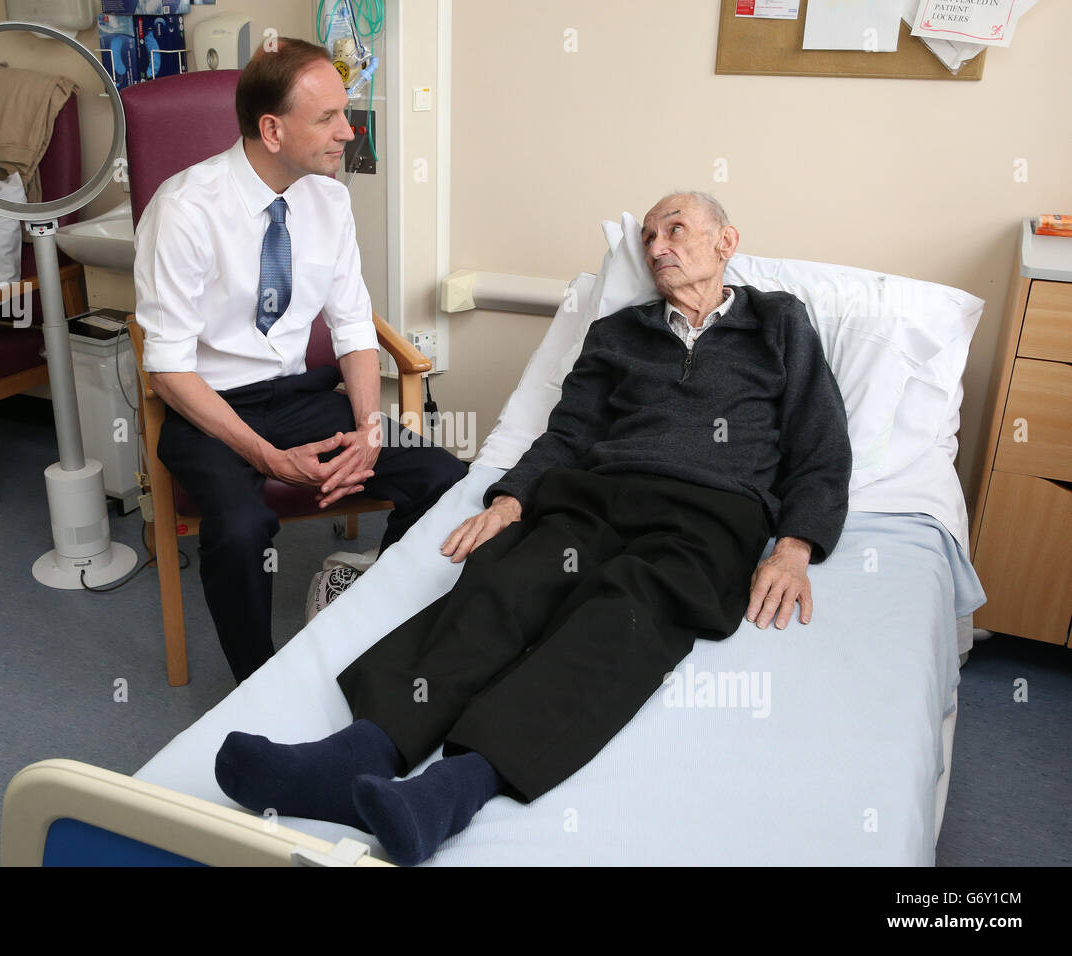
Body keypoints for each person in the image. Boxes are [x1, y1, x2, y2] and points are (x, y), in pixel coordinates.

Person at [214, 192, 853, 865]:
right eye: (647, 237)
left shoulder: (778, 323)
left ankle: (451, 791)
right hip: (596, 494)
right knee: (506, 580)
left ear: (727, 243)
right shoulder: (618, 334)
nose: (658, 247)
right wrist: (510, 500)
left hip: (710, 513)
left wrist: (794, 546)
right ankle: (358, 755)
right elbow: (568, 433)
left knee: (623, 614)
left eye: (676, 231)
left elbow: (822, 445)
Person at [134, 39, 467, 683]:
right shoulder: (183, 211)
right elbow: (167, 369)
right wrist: (263, 456)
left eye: (347, 113)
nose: (349, 131)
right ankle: (256, 686)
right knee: (238, 529)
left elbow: (353, 329)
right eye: (329, 119)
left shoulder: (329, 199)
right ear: (272, 129)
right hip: (211, 410)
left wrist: (370, 429)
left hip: (300, 396)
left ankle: (361, 621)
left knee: (445, 481)